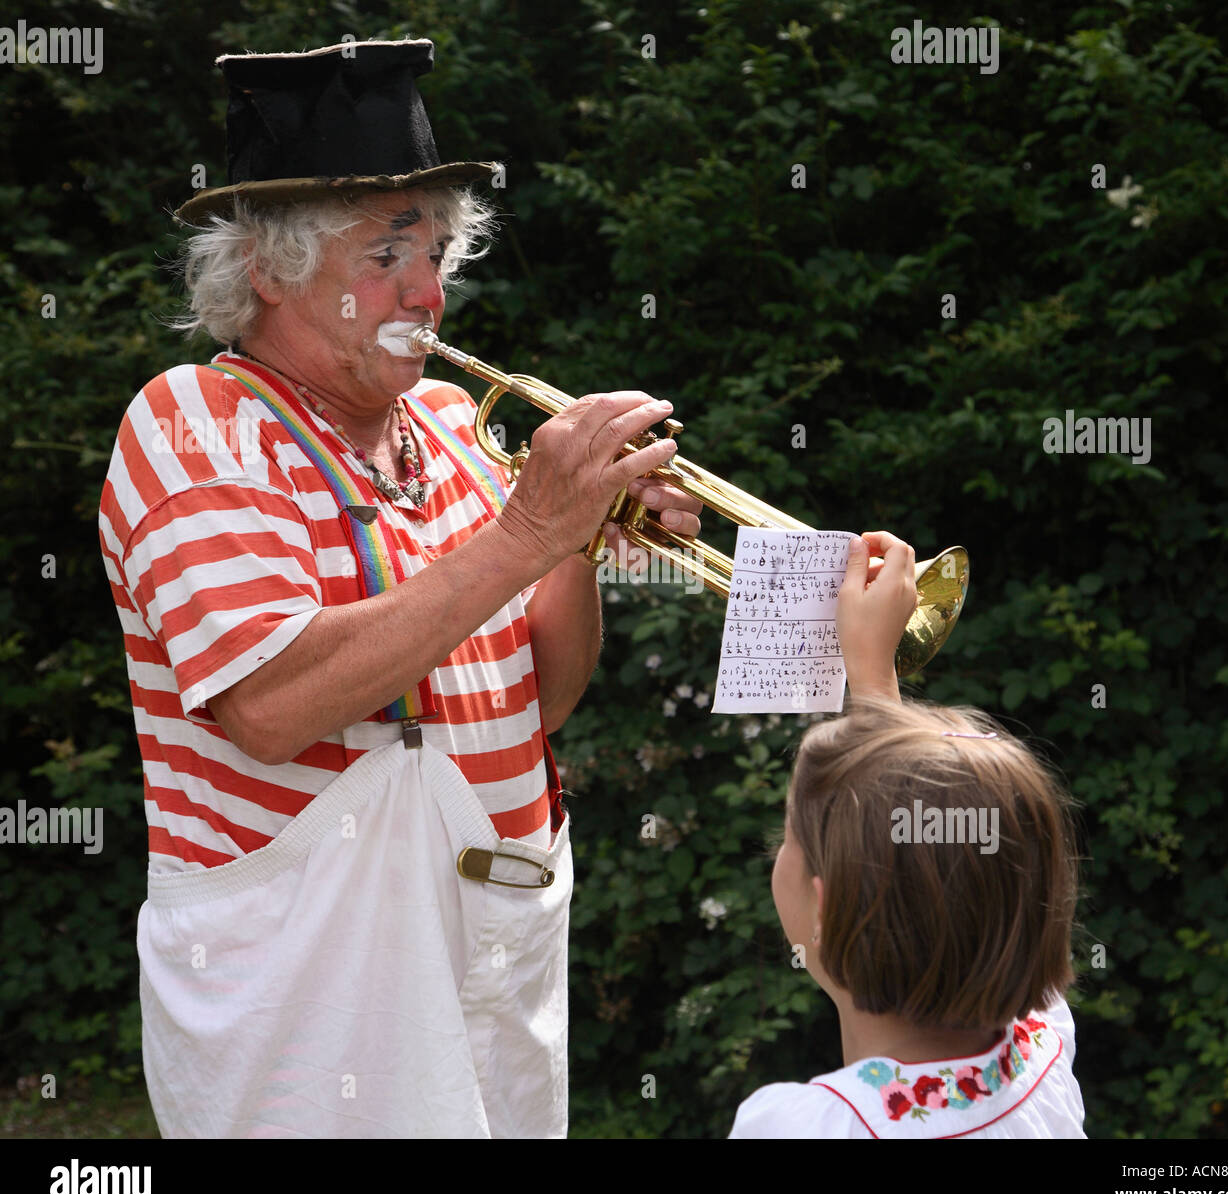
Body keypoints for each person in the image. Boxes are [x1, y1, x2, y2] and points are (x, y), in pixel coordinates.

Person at [97, 38, 701, 1138]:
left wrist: (579, 538)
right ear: (270, 270)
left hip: (499, 928)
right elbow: (270, 706)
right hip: (310, 977)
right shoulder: (192, 421)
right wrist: (529, 531)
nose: (427, 290)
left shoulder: (447, 428)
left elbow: (539, 702)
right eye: (387, 254)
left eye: (436, 251)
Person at [729, 531, 1086, 1138]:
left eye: (788, 834)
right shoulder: (1043, 1049)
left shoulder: (797, 1126)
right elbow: (948, 848)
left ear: (825, 903)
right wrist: (871, 674)